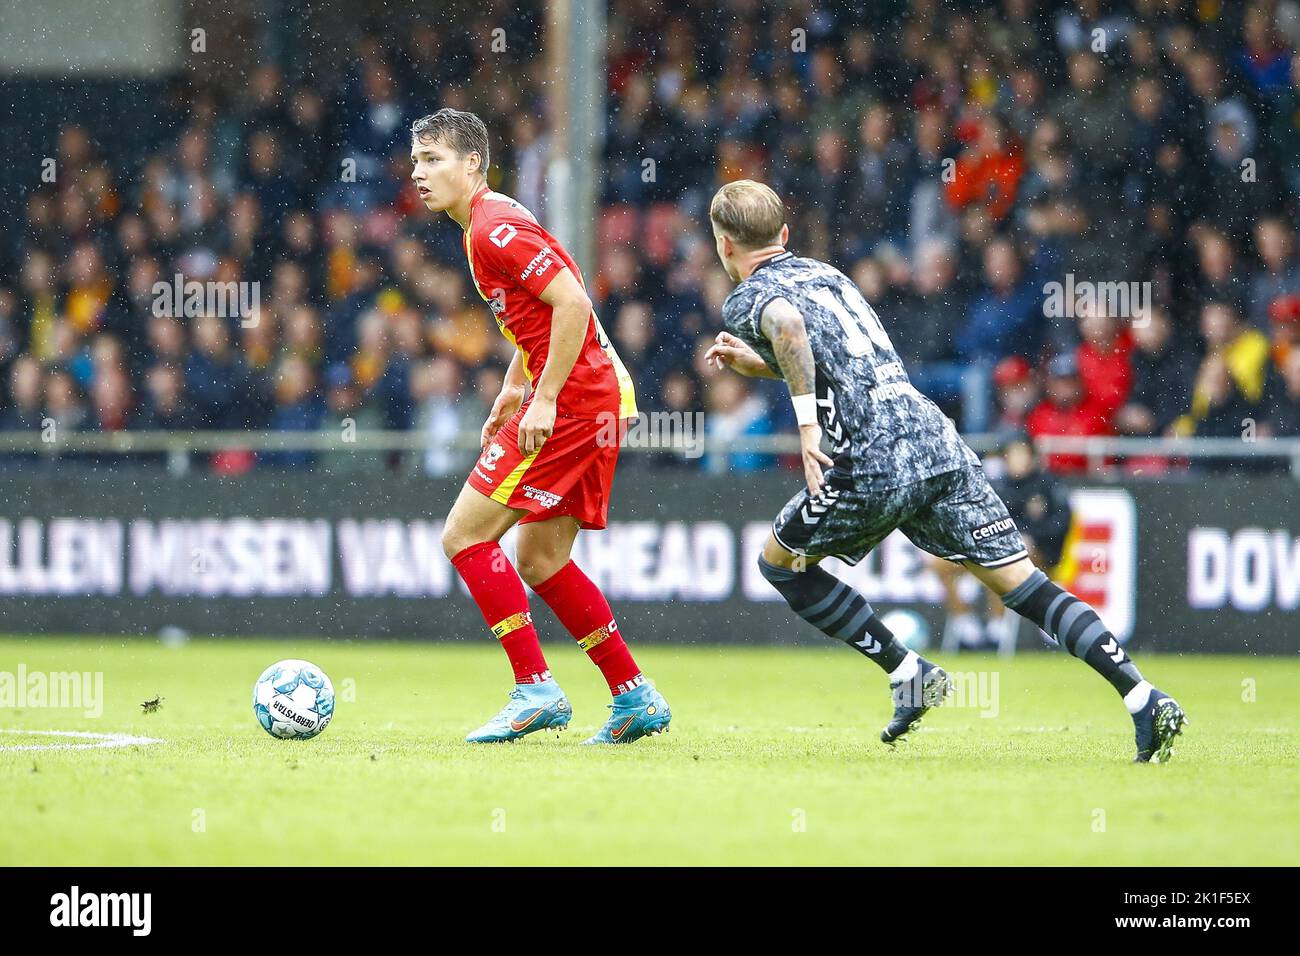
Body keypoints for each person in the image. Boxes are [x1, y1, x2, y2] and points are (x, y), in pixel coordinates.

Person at [703, 180, 1184, 763]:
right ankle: (1142, 697)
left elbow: (787, 327)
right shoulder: (830, 277)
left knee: (780, 564)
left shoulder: (750, 296)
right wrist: (759, 366)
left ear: (725, 245)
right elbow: (830, 364)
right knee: (1020, 583)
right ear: (783, 235)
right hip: (932, 437)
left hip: (871, 455)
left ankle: (908, 670)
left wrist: (807, 427)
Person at [409, 108, 670, 744]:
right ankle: (633, 695)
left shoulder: (492, 229)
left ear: (473, 164)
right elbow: (542, 312)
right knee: (542, 557)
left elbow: (575, 303)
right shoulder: (489, 221)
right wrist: (515, 385)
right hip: (594, 396)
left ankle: (535, 688)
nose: (419, 174)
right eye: (416, 161)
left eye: (433, 160)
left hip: (576, 403)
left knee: (464, 536)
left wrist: (545, 396)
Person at [934, 435, 1075, 655]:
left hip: (1040, 555)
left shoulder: (1048, 484)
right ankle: (966, 623)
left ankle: (997, 628)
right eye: (1012, 455)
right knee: (941, 565)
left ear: (1032, 457)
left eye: (1021, 455)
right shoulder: (998, 486)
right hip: (995, 551)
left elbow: (1061, 524)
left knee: (1001, 560)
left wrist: (1031, 536)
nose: (1016, 461)